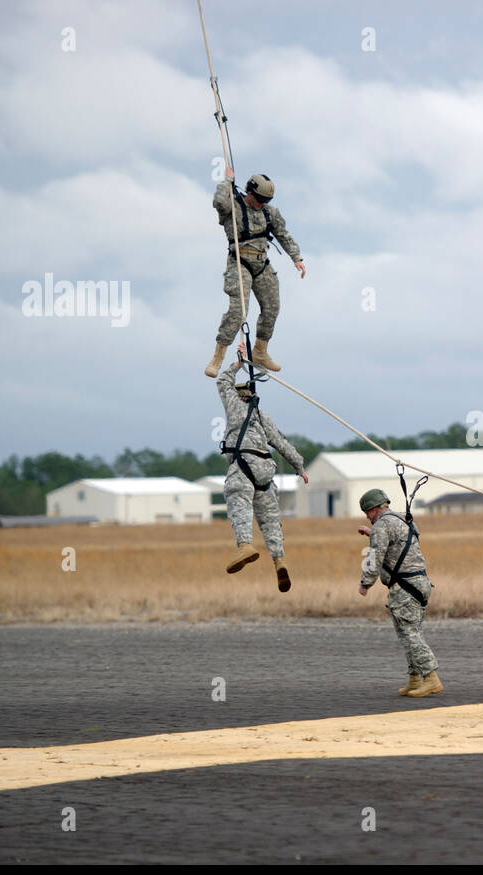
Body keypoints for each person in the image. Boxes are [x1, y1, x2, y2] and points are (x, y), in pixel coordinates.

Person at [216, 343, 308, 591]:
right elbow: (282, 443)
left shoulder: (234, 407)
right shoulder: (263, 417)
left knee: (238, 499)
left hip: (243, 464)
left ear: (238, 396)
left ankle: (245, 545)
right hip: (266, 469)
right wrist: (300, 468)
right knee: (269, 519)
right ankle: (279, 560)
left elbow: (222, 381)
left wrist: (237, 364)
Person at [204, 168, 306, 377]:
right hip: (240, 262)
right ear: (249, 193)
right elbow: (218, 202)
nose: (262, 204)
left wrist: (296, 257)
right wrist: (227, 181)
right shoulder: (232, 208)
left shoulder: (270, 213)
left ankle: (260, 351)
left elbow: (283, 235)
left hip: (262, 264)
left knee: (272, 308)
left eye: (265, 200)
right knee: (238, 311)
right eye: (259, 199)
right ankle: (218, 357)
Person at [358, 488, 442, 697]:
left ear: (375, 509)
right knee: (410, 632)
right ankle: (414, 679)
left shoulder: (381, 526)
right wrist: (373, 534)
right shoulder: (404, 520)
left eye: (368, 512)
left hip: (404, 587)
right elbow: (400, 543)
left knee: (409, 634)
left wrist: (365, 584)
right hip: (420, 583)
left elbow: (374, 558)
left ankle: (431, 678)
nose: (368, 517)